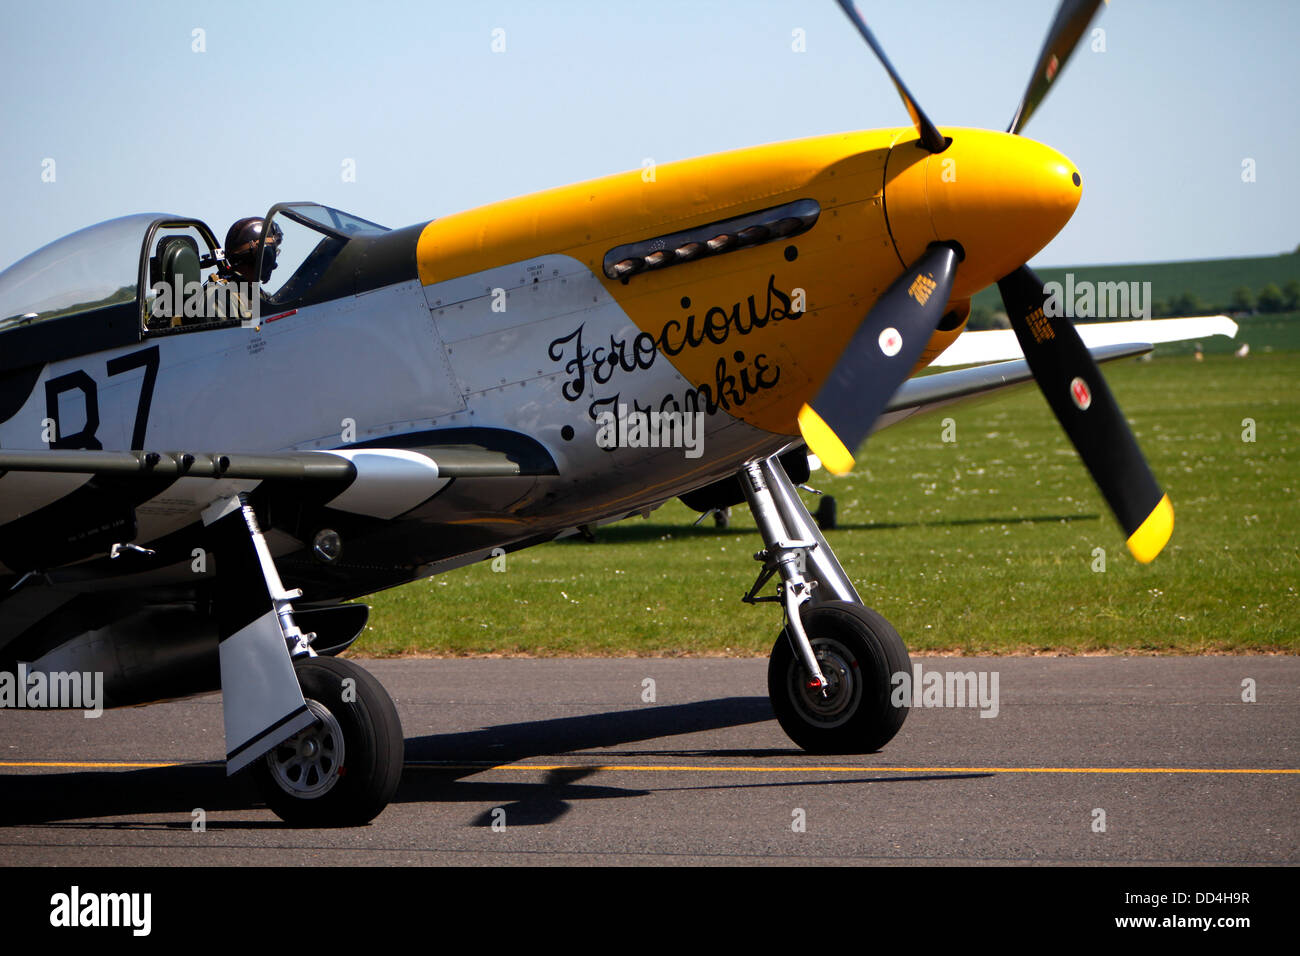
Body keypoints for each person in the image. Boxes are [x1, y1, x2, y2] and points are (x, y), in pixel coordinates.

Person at [205, 217, 282, 321]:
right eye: (273, 252)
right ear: (264, 255)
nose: (274, 264)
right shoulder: (219, 299)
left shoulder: (255, 293)